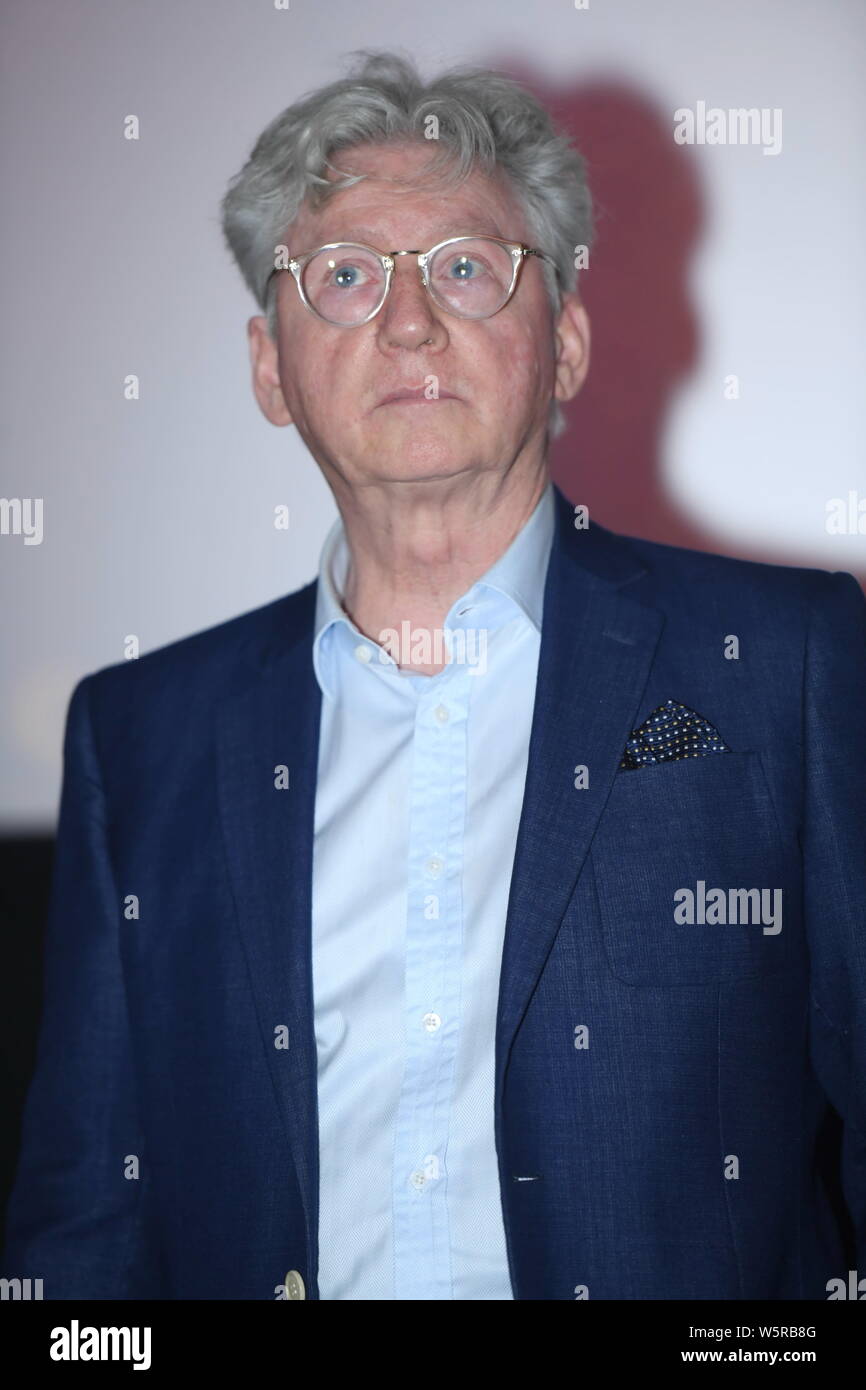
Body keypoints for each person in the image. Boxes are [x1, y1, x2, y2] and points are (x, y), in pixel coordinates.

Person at [3, 50, 865, 1301]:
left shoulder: (777, 668)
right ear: (269, 367)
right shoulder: (139, 742)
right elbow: (86, 1226)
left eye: (464, 267)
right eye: (343, 276)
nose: (406, 320)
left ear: (562, 343)